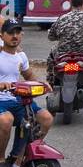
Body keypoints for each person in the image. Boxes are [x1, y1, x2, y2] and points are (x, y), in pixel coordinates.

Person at [0, 18, 53, 154]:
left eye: (18, 32)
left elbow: (29, 76)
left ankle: (22, 156)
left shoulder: (21, 56)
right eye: (11, 32)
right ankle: (0, 161)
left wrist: (42, 84)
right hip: (1, 102)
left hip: (18, 100)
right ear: (2, 35)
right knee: (7, 120)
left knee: (46, 119)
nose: (15, 36)